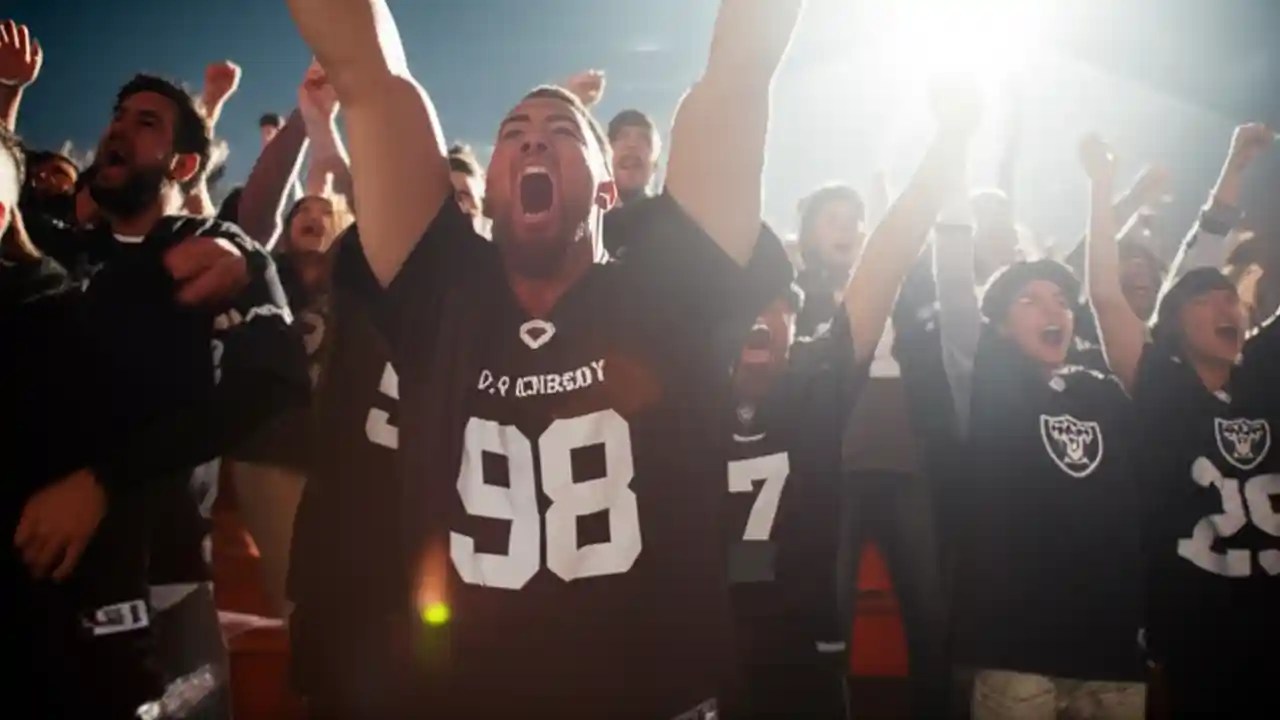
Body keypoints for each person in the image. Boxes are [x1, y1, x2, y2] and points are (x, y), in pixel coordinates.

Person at [287, 0, 799, 716]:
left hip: (656, 696)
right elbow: (368, 74)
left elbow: (739, 73)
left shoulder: (671, 289)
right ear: (487, 190)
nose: (533, 140)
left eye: (563, 131)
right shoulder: (439, 291)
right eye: (512, 133)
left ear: (609, 190)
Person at [57, 72, 307, 718]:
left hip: (166, 594)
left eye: (146, 123)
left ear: (184, 164)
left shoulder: (220, 253)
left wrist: (106, 480)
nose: (118, 128)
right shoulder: (57, 256)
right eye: (118, 115)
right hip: (43, 593)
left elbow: (275, 383)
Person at [727, 84, 978, 719]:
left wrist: (951, 140)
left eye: (855, 218)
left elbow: (906, 250)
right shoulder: (784, 311)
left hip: (903, 467)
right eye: (831, 219)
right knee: (821, 615)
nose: (847, 228)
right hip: (825, 480)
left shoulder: (901, 297)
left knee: (925, 611)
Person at [1082, 125, 1280, 718]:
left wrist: (1239, 169)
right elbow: (1105, 294)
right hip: (1194, 632)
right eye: (1205, 299)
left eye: (1231, 298)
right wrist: (1101, 187)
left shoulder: (1263, 376)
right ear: (1171, 326)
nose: (1227, 305)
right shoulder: (1159, 386)